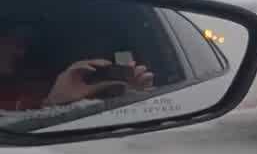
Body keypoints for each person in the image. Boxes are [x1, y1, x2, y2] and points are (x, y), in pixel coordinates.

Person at [0, 20, 153, 111]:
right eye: (19, 43)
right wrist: (51, 103)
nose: (22, 53)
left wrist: (134, 98)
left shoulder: (37, 86)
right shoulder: (34, 89)